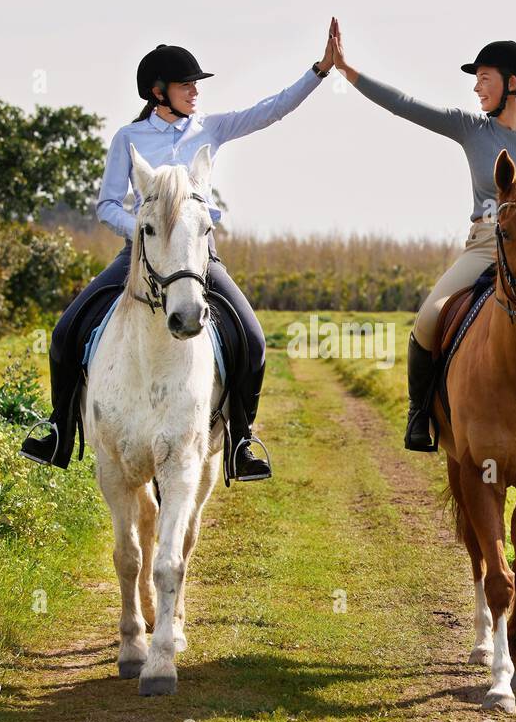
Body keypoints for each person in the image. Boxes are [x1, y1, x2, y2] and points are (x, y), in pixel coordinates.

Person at [21, 24, 338, 476]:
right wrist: (146, 234)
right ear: (158, 92)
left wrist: (319, 71)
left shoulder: (212, 128)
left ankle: (240, 441)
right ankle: (59, 431)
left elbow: (270, 110)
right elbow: (107, 204)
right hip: (140, 255)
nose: (194, 91)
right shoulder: (128, 139)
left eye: (195, 84)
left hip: (199, 259)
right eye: (186, 84)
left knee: (252, 339)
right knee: (65, 332)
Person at [329, 29, 516, 461]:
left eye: (484, 77)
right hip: (486, 244)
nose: (476, 86)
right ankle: (420, 414)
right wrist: (349, 72)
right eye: (476, 80)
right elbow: (407, 106)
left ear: (512, 84)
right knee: (429, 319)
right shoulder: (470, 128)